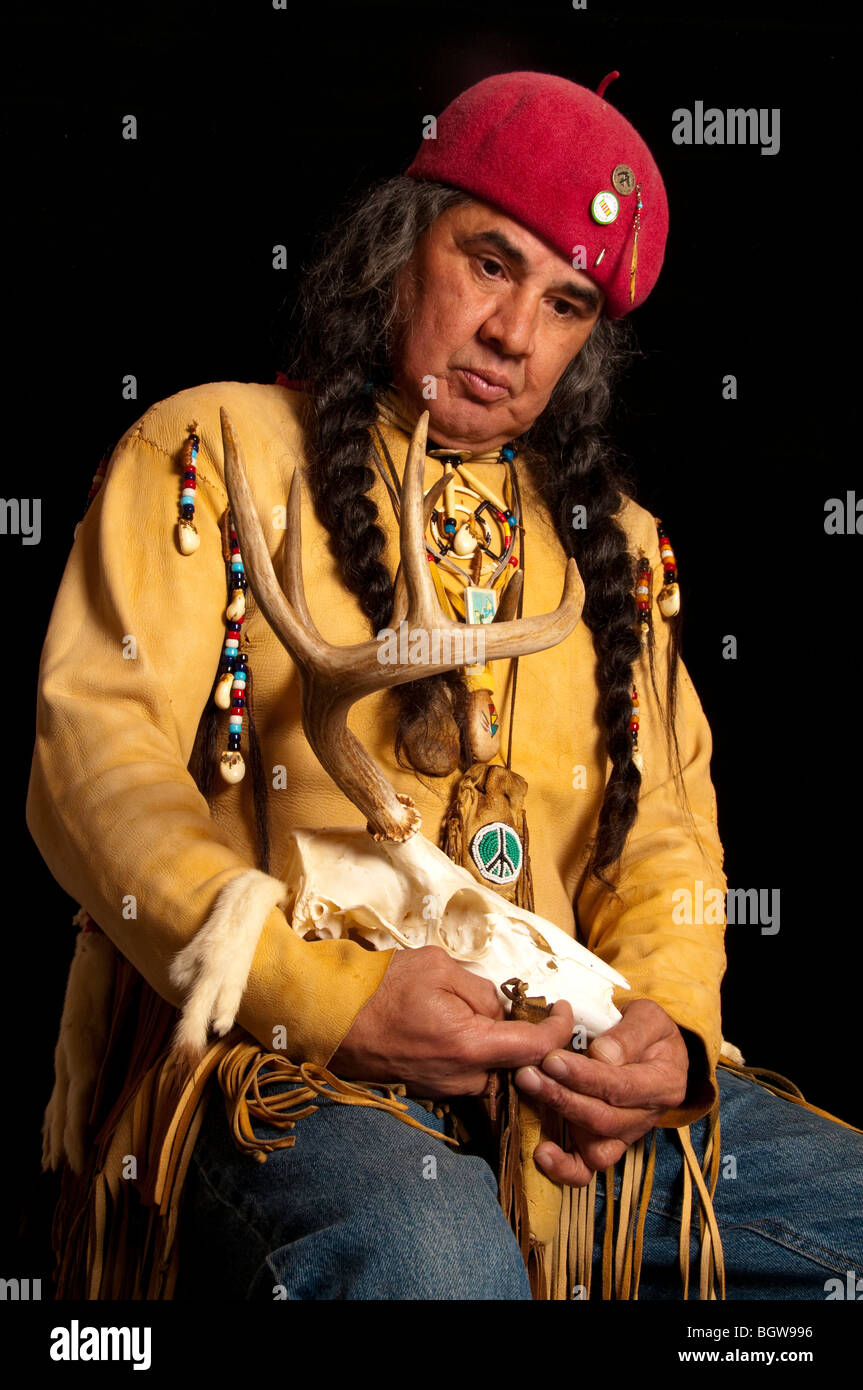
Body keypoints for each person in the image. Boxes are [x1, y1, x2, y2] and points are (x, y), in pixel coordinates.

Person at [26, 70, 862, 1302]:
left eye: (565, 301)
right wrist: (324, 995)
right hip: (282, 1066)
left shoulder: (616, 546)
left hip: (554, 1079)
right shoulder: (211, 447)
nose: (513, 332)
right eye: (488, 262)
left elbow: (668, 843)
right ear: (398, 242)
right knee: (436, 1263)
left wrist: (668, 1036)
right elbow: (95, 767)